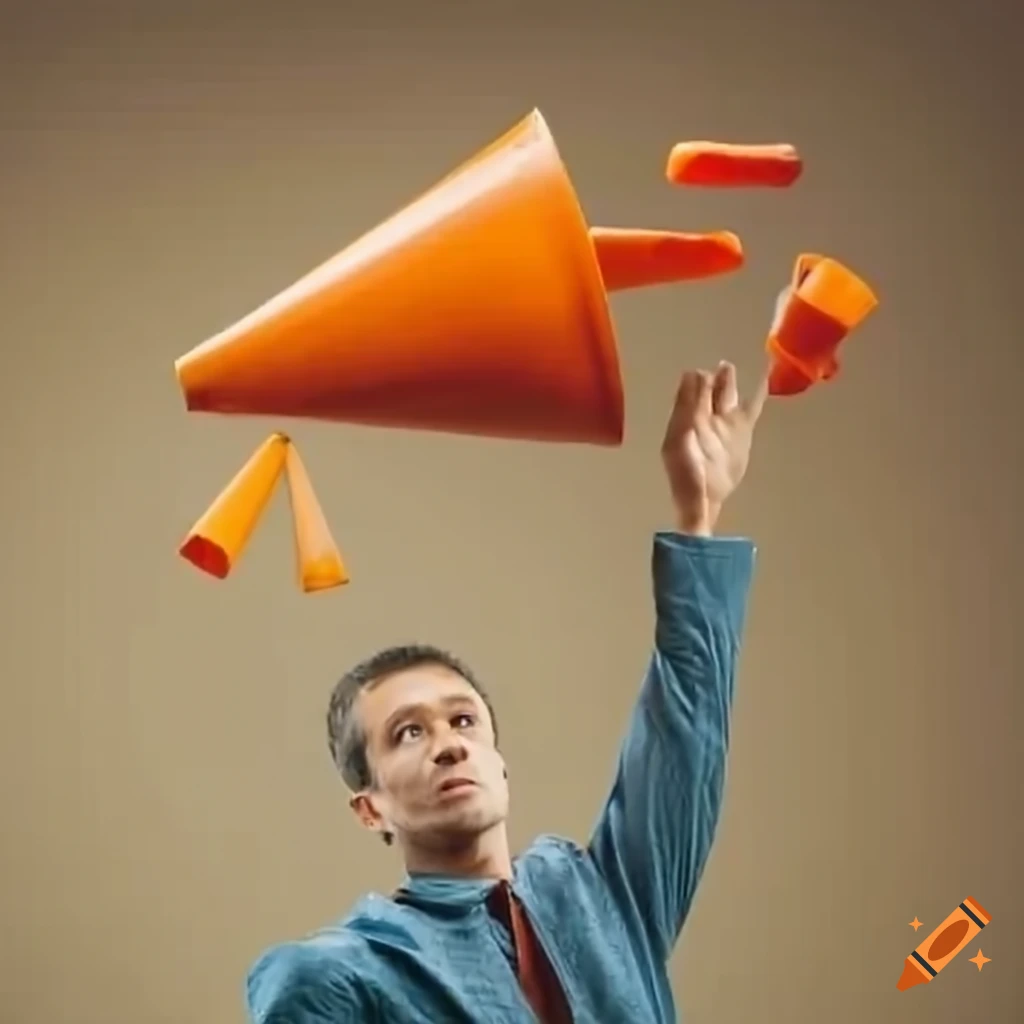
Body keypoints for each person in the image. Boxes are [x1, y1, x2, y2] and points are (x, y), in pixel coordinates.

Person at [245, 360, 769, 1023]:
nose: (448, 747)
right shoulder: (341, 973)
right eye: (408, 732)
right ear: (370, 808)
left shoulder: (602, 898)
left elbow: (686, 735)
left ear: (500, 763)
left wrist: (699, 516)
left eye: (464, 722)